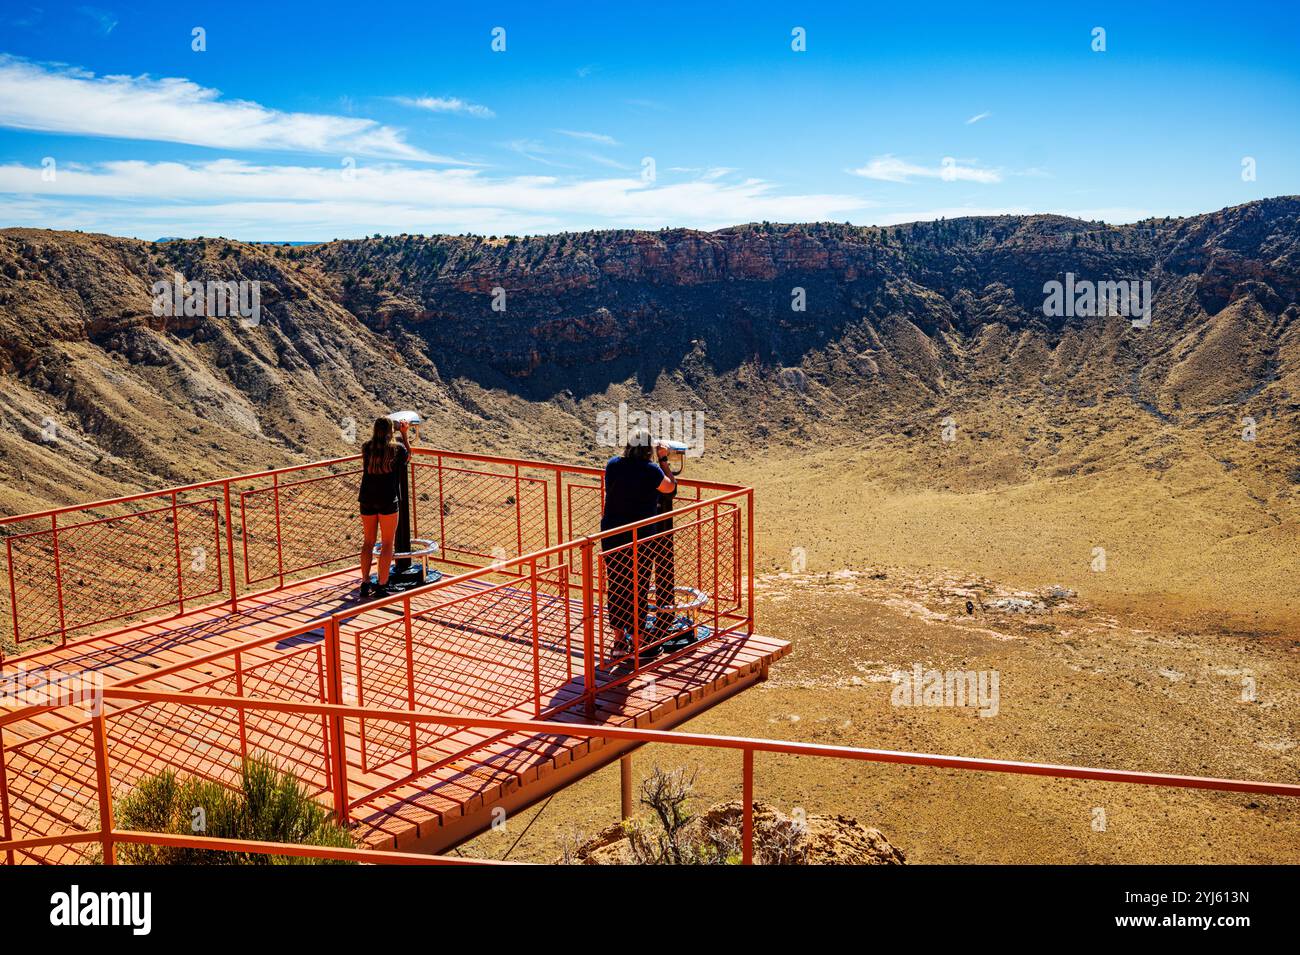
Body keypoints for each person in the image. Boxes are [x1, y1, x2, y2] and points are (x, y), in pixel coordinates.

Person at [600, 428, 677, 661]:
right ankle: (638, 641)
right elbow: (669, 487)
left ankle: (618, 641)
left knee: (617, 584)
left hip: (612, 534)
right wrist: (663, 459)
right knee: (638, 585)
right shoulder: (650, 470)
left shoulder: (613, 464)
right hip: (640, 538)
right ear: (647, 449)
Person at [357, 416, 410, 599]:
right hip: (387, 499)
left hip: (367, 498)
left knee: (368, 541)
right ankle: (382, 585)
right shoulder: (397, 449)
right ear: (391, 430)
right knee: (388, 543)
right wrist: (404, 433)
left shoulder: (366, 447)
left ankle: (365, 583)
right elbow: (407, 457)